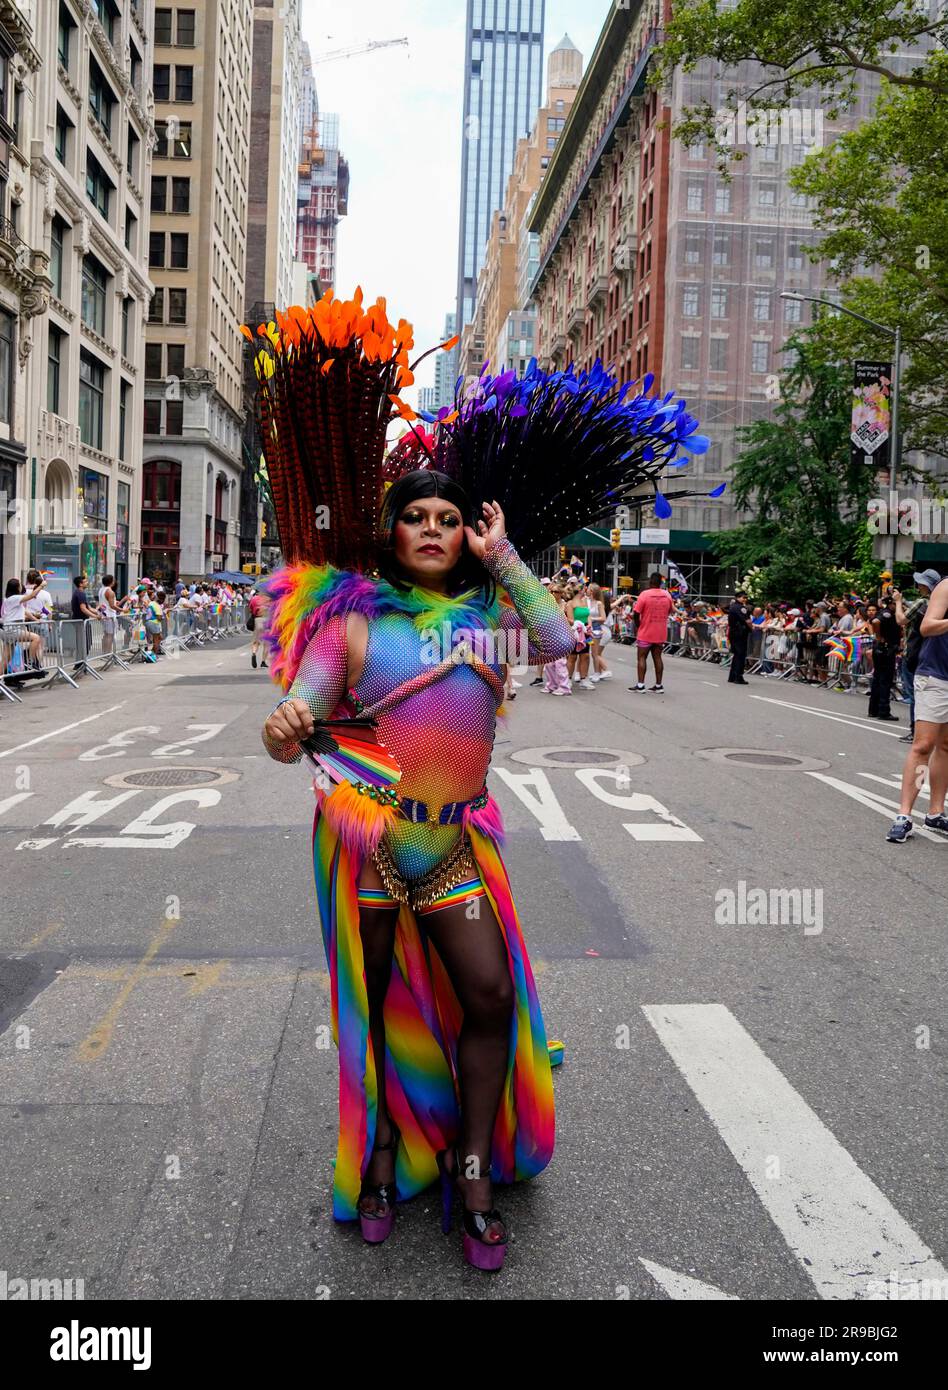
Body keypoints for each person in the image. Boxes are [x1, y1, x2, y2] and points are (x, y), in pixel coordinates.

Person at [886, 575, 948, 843]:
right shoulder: (946, 586)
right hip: (936, 677)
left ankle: (935, 813)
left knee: (946, 746)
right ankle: (904, 815)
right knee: (923, 745)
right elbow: (927, 626)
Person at [896, 570, 940, 742]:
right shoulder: (937, 604)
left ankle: (916, 731)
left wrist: (898, 602)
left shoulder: (922, 602)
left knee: (915, 694)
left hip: (914, 653)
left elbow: (901, 619)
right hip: (931, 655)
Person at [630, 573, 674, 691]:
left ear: (650, 582)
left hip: (645, 632)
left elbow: (636, 613)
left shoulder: (644, 595)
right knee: (658, 658)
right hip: (660, 632)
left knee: (641, 657)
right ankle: (659, 686)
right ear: (660, 583)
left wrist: (639, 626)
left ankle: (640, 685)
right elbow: (671, 610)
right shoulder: (667, 595)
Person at [868, 592, 903, 721]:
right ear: (890, 603)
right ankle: (883, 710)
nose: (898, 606)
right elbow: (876, 622)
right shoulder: (887, 613)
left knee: (878, 679)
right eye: (895, 603)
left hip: (882, 649)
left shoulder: (886, 612)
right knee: (885, 681)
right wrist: (879, 638)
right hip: (885, 649)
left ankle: (874, 710)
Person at [586, 582, 612, 681]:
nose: (587, 590)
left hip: (596, 630)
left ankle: (597, 673)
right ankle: (595, 672)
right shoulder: (586, 601)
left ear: (592, 591)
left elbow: (603, 618)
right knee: (589, 651)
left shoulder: (599, 603)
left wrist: (592, 618)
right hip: (587, 630)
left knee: (595, 653)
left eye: (588, 588)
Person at [727, 590, 752, 684]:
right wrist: (752, 629)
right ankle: (738, 677)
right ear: (738, 598)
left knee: (736, 655)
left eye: (746, 598)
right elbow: (748, 621)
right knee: (740, 655)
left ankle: (732, 676)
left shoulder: (733, 606)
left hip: (733, 632)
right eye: (743, 597)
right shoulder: (741, 608)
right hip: (740, 633)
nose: (745, 599)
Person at [97, 573, 120, 655]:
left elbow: (105, 602)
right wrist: (122, 609)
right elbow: (112, 606)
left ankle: (104, 652)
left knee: (106, 634)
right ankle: (108, 653)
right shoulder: (110, 592)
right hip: (109, 615)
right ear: (111, 581)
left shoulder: (101, 590)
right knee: (110, 635)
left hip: (103, 614)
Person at [248, 586, 270, 669]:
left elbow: (250, 609)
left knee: (256, 641)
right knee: (267, 643)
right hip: (268, 620)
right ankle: (263, 662)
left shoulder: (254, 599)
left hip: (258, 620)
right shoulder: (269, 599)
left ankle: (254, 653)